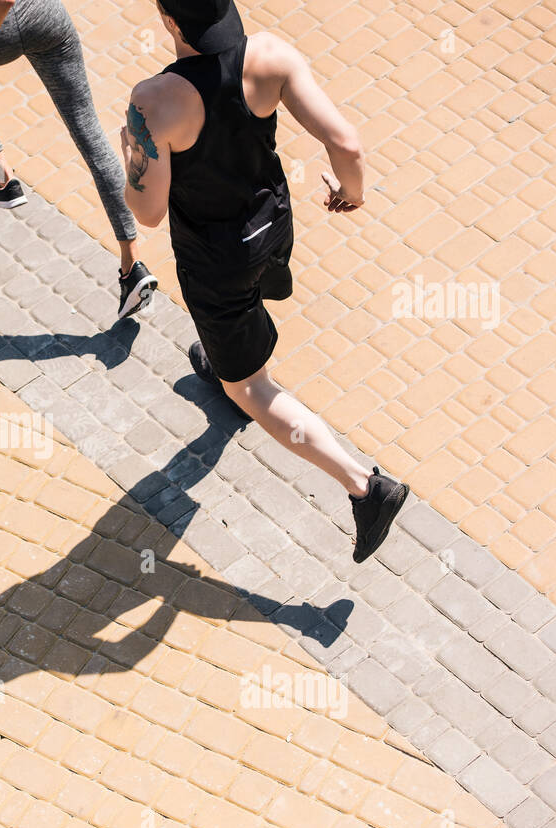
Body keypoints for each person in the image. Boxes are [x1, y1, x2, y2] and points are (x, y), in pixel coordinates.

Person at [120, 0, 407, 562]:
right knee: (239, 317)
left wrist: (133, 153)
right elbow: (346, 143)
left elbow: (148, 213)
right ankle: (226, 354)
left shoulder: (153, 102)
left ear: (168, 20)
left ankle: (366, 485)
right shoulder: (270, 53)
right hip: (272, 225)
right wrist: (352, 193)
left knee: (248, 387)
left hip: (215, 258)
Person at [0, 0, 159, 319]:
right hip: (46, 18)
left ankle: (2, 177)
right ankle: (132, 264)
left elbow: (2, 2)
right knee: (87, 126)